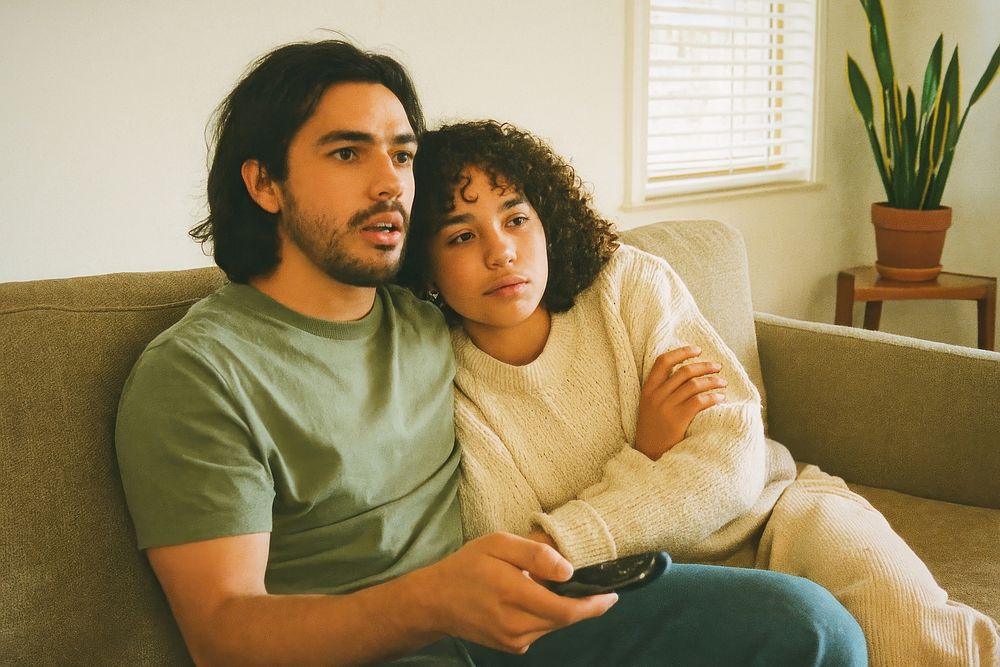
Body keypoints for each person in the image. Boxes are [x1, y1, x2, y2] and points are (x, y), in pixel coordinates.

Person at [115, 40, 867, 666]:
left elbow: (565, 323)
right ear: (264, 182)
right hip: (380, 649)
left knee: (805, 627)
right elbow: (222, 633)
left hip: (515, 626)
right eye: (348, 153)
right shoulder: (200, 373)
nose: (389, 184)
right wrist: (432, 599)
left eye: (402, 155)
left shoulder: (428, 318)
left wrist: (645, 452)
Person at [397, 119, 1000, 667]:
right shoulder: (438, 377)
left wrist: (564, 530)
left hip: (779, 514)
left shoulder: (627, 283)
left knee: (921, 636)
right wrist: (648, 454)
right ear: (424, 266)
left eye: (516, 218)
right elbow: (509, 546)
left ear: (546, 220)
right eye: (460, 237)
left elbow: (730, 459)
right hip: (647, 590)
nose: (501, 250)